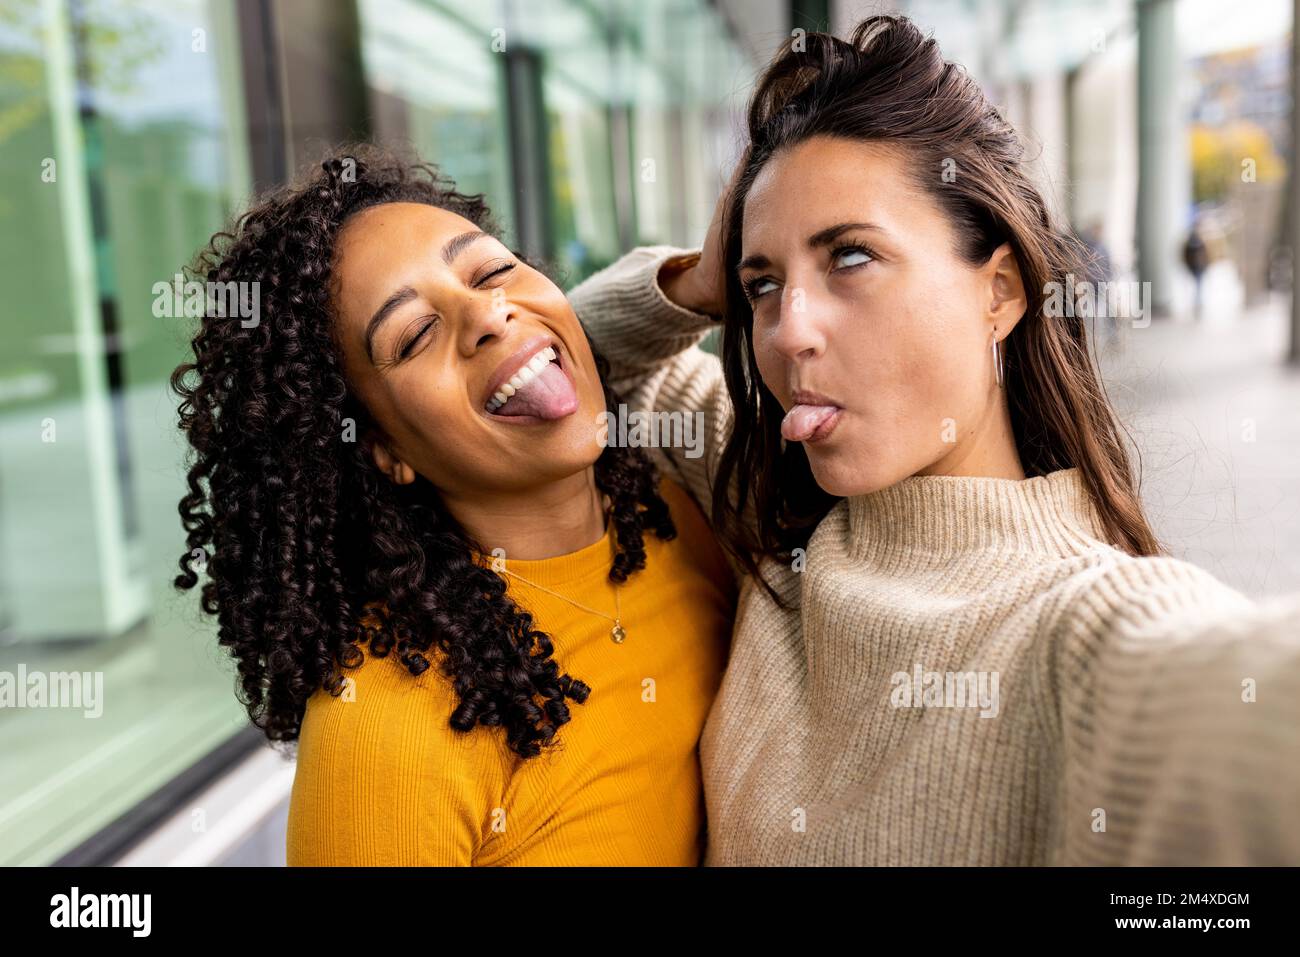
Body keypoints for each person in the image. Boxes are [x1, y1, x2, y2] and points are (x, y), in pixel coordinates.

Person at [568, 14, 1300, 865]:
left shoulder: (1089, 627)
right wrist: (698, 280)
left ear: (1000, 293)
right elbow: (575, 375)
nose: (789, 331)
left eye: (848, 257)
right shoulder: (774, 503)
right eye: (763, 284)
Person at [171, 144, 735, 865]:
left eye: (492, 270)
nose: (490, 315)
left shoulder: (677, 509)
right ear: (383, 449)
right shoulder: (384, 733)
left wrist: (694, 283)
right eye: (414, 335)